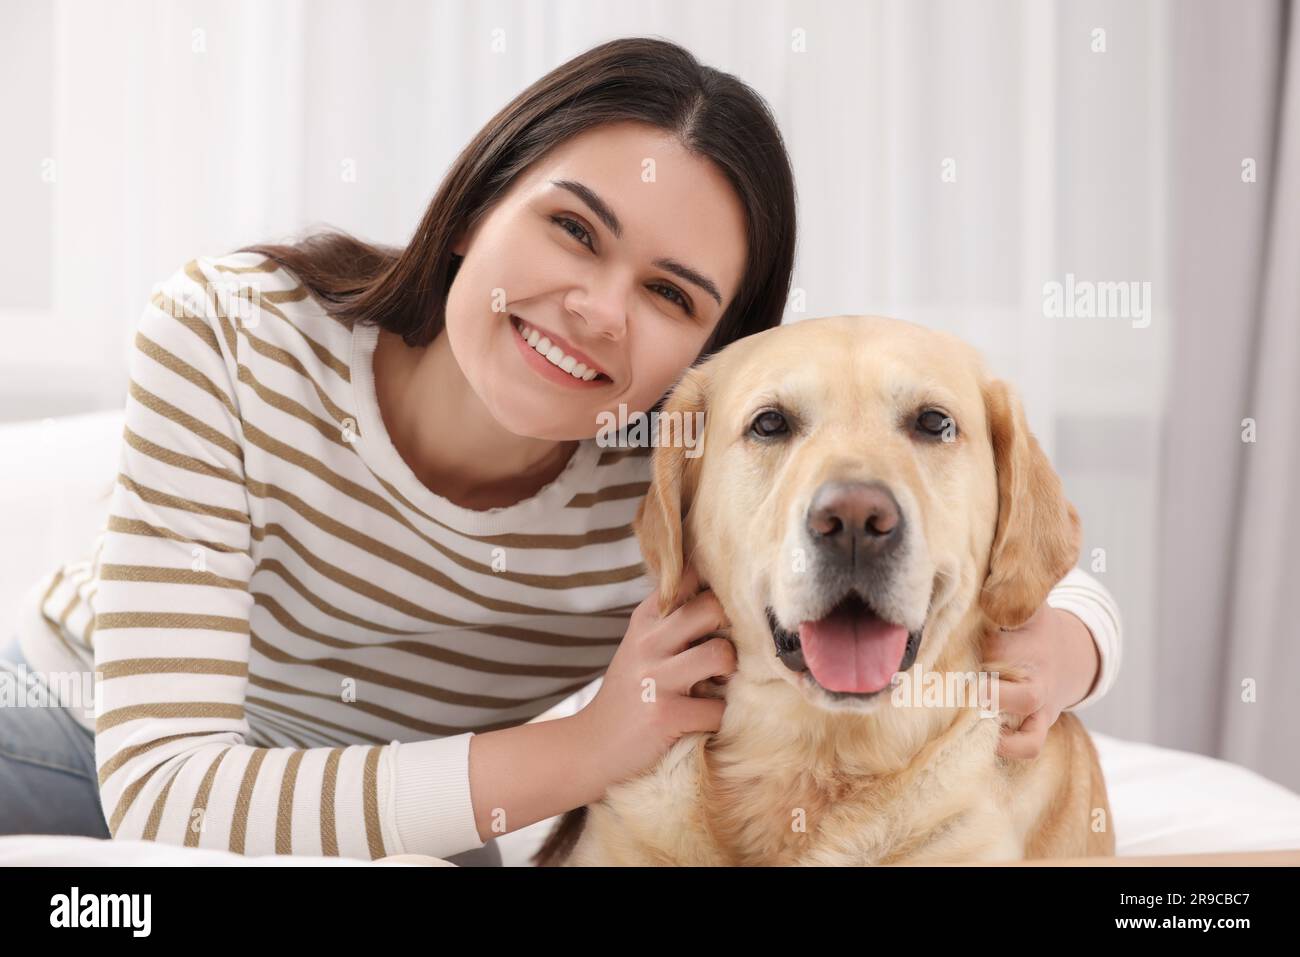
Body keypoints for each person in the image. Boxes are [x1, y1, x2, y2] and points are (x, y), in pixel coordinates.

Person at [0, 36, 1121, 863]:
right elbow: (164, 792)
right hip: (83, 721)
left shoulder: (690, 460)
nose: (594, 310)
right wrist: (590, 749)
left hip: (405, 798)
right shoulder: (233, 333)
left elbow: (986, 534)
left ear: (707, 353)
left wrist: (1068, 648)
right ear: (483, 191)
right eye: (573, 229)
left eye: (670, 294)